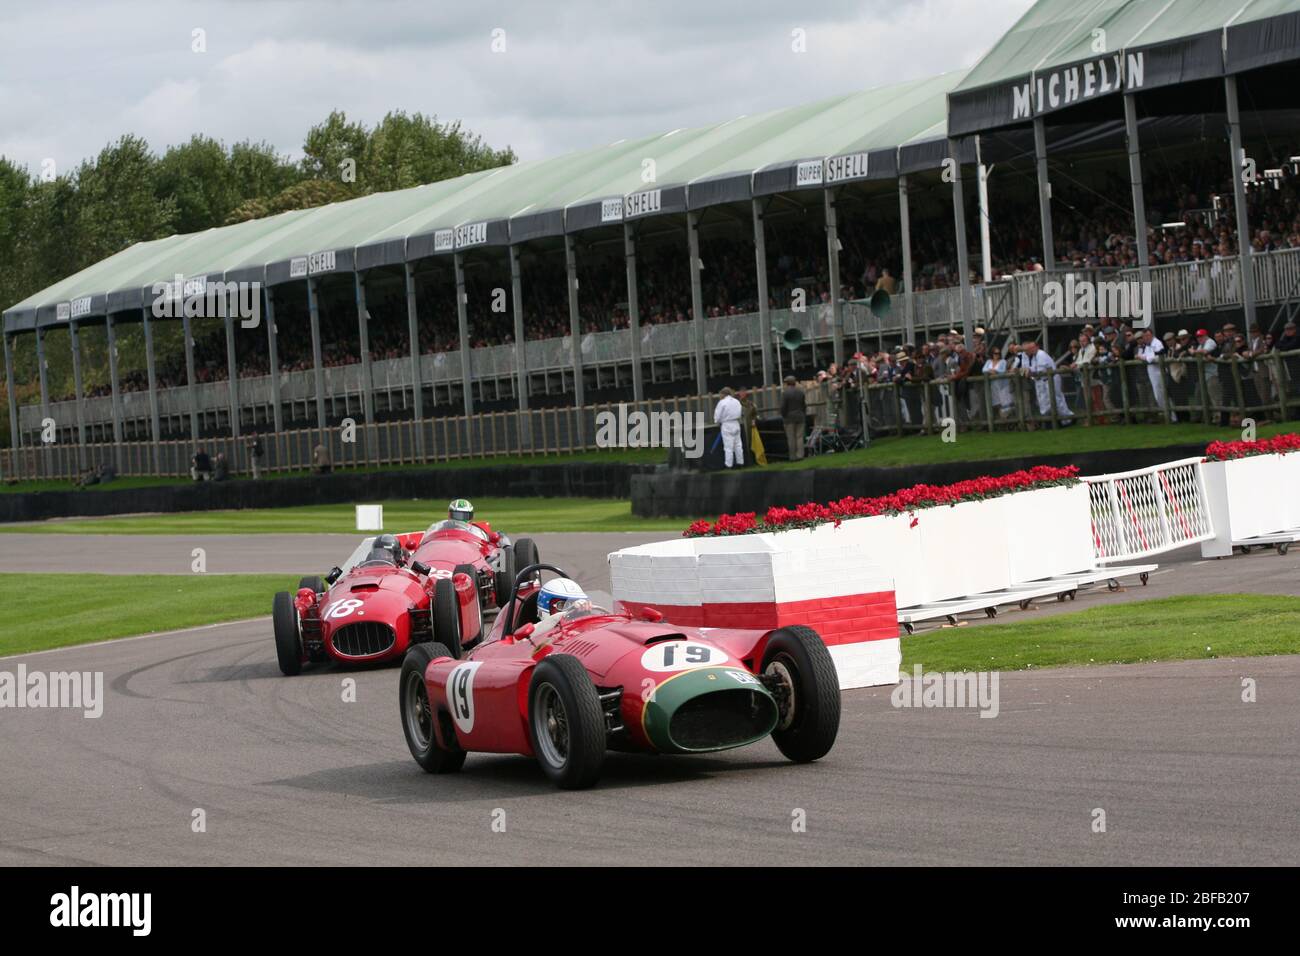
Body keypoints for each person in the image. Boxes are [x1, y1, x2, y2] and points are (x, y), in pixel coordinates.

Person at [1019, 340, 1073, 424]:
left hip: (1051, 379)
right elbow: (1034, 368)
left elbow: (1040, 371)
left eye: (1030, 348)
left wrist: (1030, 373)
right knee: (1046, 402)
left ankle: (1068, 419)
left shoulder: (1041, 354)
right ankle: (1053, 421)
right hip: (1043, 381)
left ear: (1035, 347)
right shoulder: (1034, 357)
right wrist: (1027, 370)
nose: (1028, 351)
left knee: (1057, 400)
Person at [713, 386, 744, 468]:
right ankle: (740, 463)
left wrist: (717, 421)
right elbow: (740, 412)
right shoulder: (736, 401)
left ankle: (728, 464)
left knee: (728, 446)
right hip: (736, 423)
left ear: (723, 394)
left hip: (727, 424)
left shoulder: (722, 402)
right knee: (738, 445)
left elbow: (717, 416)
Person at [778, 375, 806, 461]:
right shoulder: (801, 392)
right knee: (799, 437)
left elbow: (783, 407)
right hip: (800, 416)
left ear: (787, 383)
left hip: (789, 418)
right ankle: (800, 455)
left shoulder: (785, 393)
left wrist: (783, 415)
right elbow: (804, 405)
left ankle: (793, 457)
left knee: (791, 438)